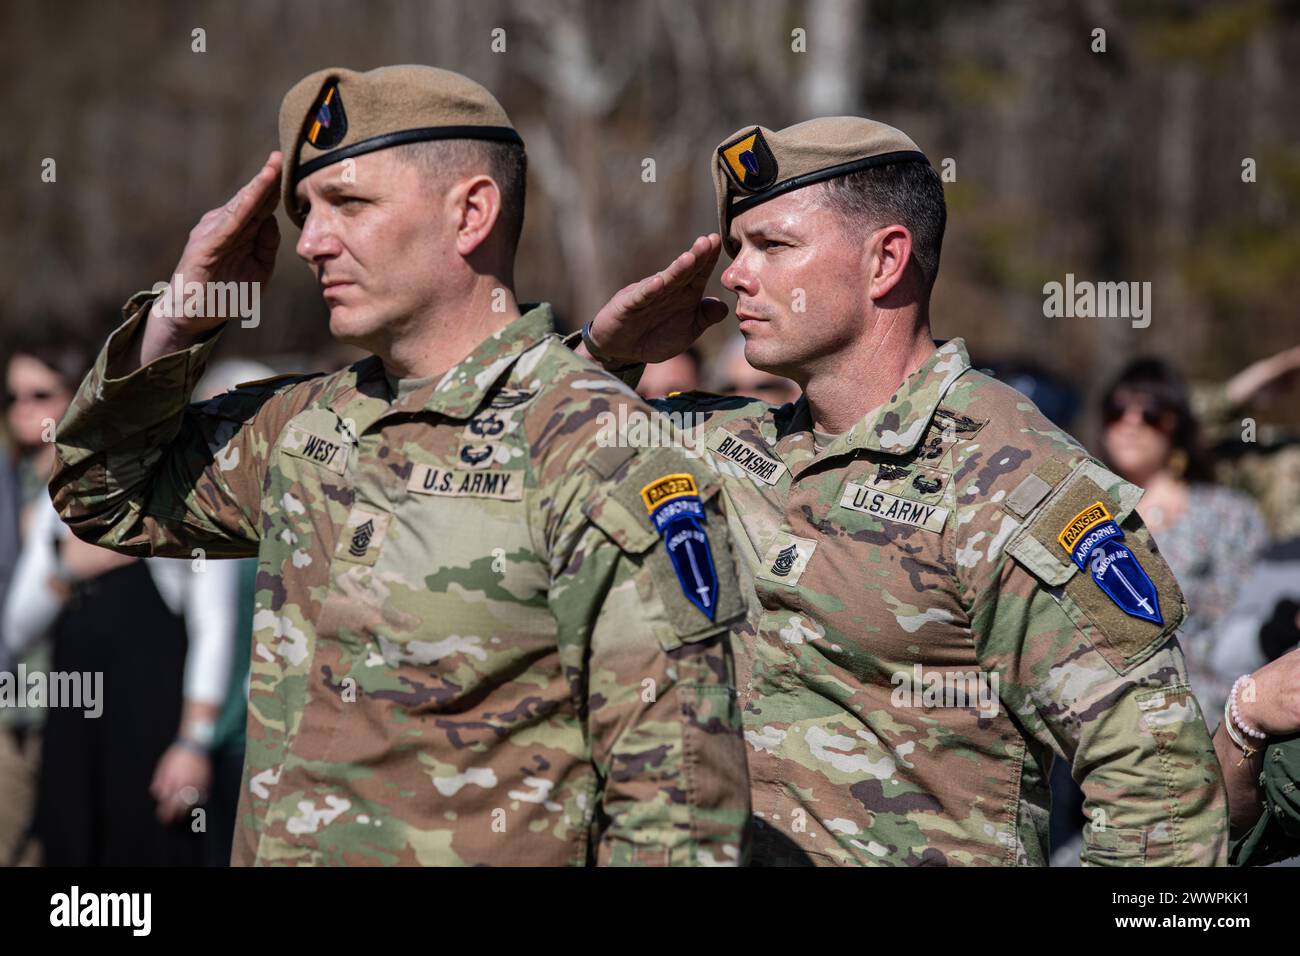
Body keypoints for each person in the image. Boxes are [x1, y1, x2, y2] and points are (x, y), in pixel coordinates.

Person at [49, 65, 750, 866]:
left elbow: (679, 816)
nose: (310, 242)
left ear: (471, 213)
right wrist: (179, 320)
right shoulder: (305, 423)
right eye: (306, 212)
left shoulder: (596, 444)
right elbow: (102, 496)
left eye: (349, 204)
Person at [577, 116, 1227, 865]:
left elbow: (1161, 790)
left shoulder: (1007, 476)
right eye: (735, 249)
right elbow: (505, 472)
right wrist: (605, 354)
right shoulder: (727, 441)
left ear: (884, 261)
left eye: (773, 245)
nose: (734, 274)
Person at [1099, 358, 1268, 717]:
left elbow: (1245, 625)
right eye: (1117, 409)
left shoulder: (1227, 515)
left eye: (1151, 413)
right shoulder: (1080, 515)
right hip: (1099, 712)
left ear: (1176, 427)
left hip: (1202, 708)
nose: (1131, 422)